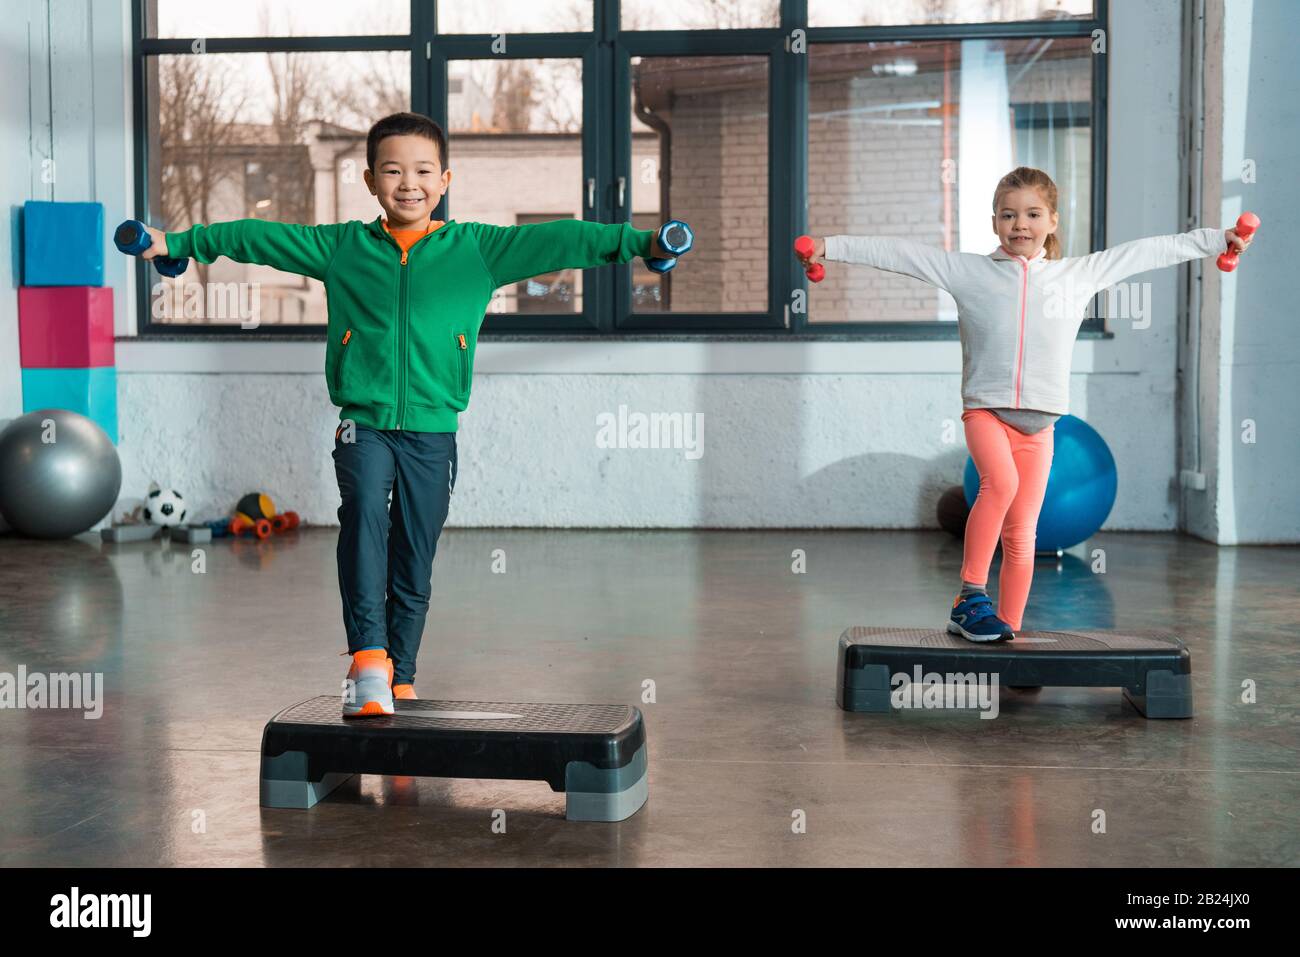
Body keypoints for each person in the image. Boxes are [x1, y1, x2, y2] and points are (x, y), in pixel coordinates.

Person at [138, 111, 684, 713]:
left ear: (444, 180)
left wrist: (643, 245)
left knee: (415, 555)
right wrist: (179, 246)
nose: (409, 183)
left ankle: (401, 674)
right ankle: (368, 658)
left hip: (433, 432)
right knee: (366, 515)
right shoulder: (343, 248)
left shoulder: (478, 249)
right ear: (370, 180)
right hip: (364, 423)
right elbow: (259, 238)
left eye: (423, 171)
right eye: (393, 170)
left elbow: (563, 238)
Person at [796, 166, 1254, 642]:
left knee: (1023, 536)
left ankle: (1007, 634)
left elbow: (1147, 252)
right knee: (1001, 484)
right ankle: (969, 598)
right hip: (986, 412)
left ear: (1053, 220)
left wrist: (1216, 239)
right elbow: (900, 255)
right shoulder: (968, 272)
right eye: (1009, 215)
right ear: (995, 222)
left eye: (1033, 214)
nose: (1020, 224)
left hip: (1041, 426)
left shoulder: (1077, 276)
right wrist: (829, 246)